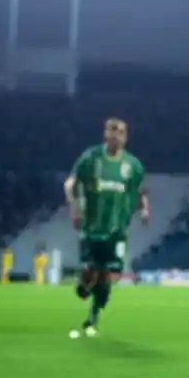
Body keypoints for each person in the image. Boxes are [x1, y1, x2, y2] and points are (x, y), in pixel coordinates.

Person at [63, 117, 148, 337]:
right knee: (90, 273)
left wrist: (144, 210)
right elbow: (70, 184)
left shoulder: (133, 165)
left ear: (126, 137)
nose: (117, 136)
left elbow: (141, 190)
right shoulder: (91, 158)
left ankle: (93, 317)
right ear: (105, 134)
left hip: (117, 229)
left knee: (110, 273)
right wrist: (74, 209)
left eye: (121, 132)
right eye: (113, 131)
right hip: (92, 227)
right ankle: (85, 286)